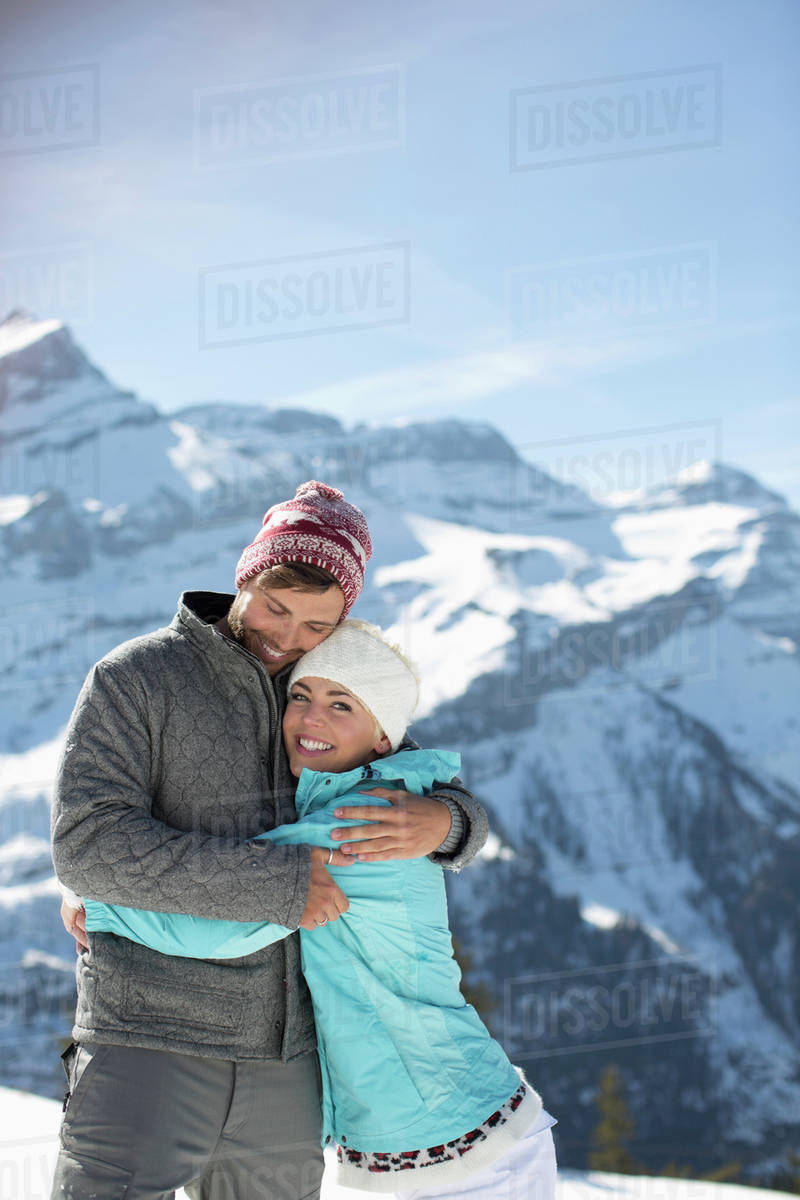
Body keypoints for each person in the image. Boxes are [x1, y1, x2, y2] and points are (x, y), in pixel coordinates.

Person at [51, 480, 488, 1200]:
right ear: (244, 578)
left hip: (286, 1059)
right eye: (275, 608)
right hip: (149, 1037)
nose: (287, 637)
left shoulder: (321, 683)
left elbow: (416, 775)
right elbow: (89, 844)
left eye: (317, 625)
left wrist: (451, 824)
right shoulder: (137, 679)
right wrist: (280, 885)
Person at [81, 620, 557, 1200]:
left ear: (383, 737)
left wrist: (103, 897)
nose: (311, 719)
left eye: (341, 705)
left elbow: (220, 922)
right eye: (301, 697)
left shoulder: (360, 825)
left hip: (456, 1134)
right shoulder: (354, 799)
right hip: (444, 1125)